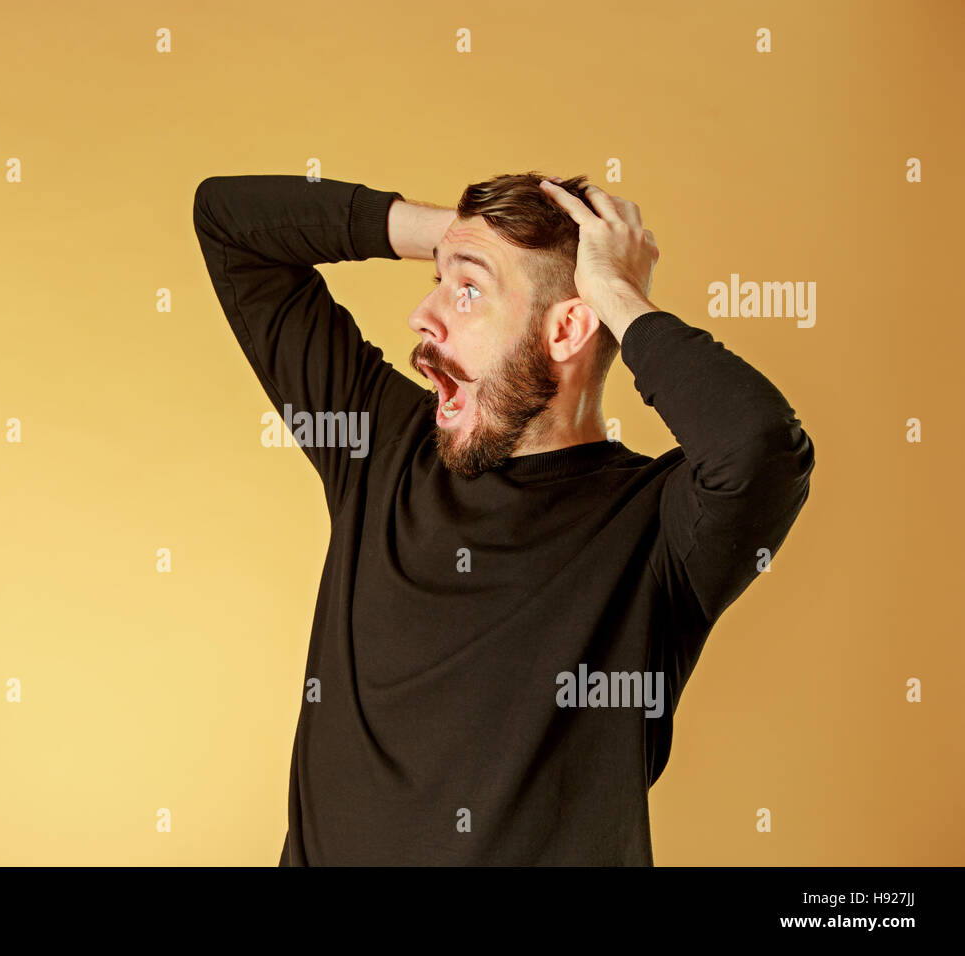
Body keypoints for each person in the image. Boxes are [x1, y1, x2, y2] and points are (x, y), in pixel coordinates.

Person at [192, 171, 815, 865]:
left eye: (466, 292)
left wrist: (616, 292)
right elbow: (230, 224)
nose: (423, 316)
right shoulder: (380, 447)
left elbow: (759, 447)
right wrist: (454, 239)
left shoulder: (657, 531)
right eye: (437, 281)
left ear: (569, 328)